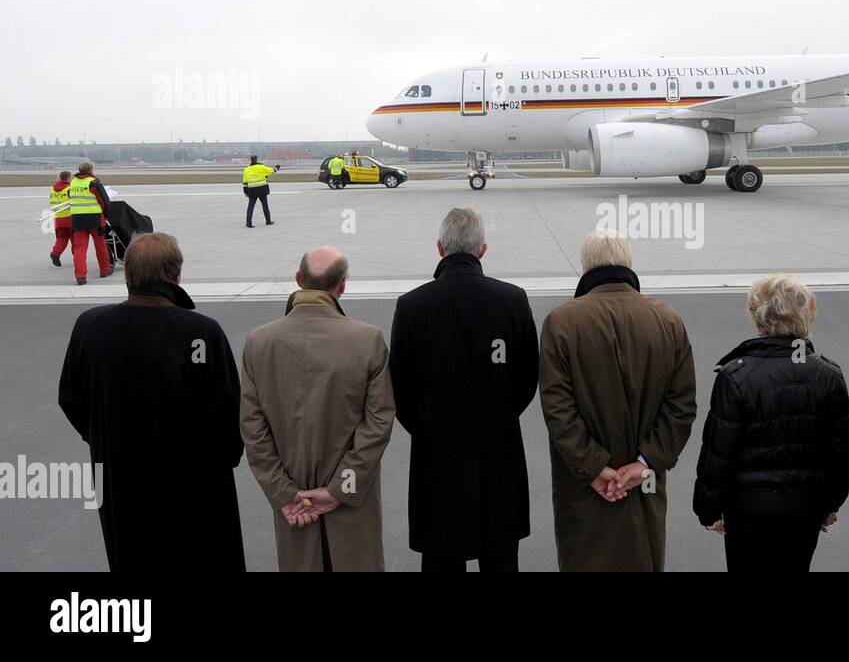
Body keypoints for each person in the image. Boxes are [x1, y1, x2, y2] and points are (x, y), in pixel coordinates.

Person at [58, 233, 245, 572]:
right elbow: (228, 411)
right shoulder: (201, 332)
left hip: (120, 477)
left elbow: (71, 397)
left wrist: (102, 436)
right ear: (176, 275)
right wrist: (222, 458)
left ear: (128, 274)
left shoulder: (90, 326)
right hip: (194, 483)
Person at [389, 208, 539, 572]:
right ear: (482, 250)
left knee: (441, 557)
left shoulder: (411, 306)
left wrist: (428, 427)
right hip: (498, 451)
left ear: (440, 248)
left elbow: (399, 387)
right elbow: (527, 378)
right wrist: (499, 417)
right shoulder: (513, 299)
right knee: (500, 556)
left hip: (436, 455)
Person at [538, 230, 697, 572]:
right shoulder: (668, 320)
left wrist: (593, 467)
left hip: (585, 487)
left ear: (585, 267)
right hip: (644, 484)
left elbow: (558, 409)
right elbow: (681, 406)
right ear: (628, 264)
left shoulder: (561, 322)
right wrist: (646, 462)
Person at [240, 246, 396, 572]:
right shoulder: (368, 340)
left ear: (298, 279)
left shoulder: (259, 342)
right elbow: (378, 423)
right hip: (352, 506)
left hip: (295, 507)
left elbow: (253, 430)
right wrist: (342, 487)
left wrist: (284, 494)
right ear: (342, 285)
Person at [693, 273, 849, 572]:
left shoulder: (736, 375)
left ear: (759, 315)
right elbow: (841, 452)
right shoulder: (828, 375)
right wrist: (832, 503)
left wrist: (708, 509)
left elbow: (718, 452)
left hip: (748, 510)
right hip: (805, 508)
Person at [67, 161, 112, 285]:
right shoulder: (93, 183)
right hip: (95, 219)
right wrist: (105, 215)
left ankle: (80, 275)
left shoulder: (73, 182)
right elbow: (105, 202)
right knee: (100, 246)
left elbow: (69, 196)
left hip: (77, 219)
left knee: (79, 249)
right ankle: (104, 270)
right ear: (91, 169)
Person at [242, 154, 280, 227]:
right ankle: (268, 221)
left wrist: (246, 192)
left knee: (250, 207)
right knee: (265, 205)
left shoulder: (246, 169)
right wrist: (277, 168)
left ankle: (248, 223)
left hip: (252, 190)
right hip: (262, 189)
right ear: (256, 160)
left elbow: (245, 183)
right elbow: (271, 171)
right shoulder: (261, 167)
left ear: (251, 160)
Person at [49, 170, 73, 267]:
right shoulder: (69, 188)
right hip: (70, 218)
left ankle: (55, 253)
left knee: (61, 238)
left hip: (58, 218)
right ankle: (78, 257)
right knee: (76, 241)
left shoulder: (53, 189)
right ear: (68, 177)